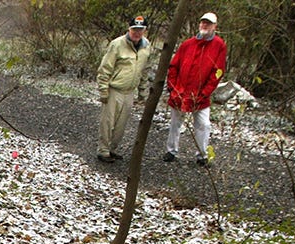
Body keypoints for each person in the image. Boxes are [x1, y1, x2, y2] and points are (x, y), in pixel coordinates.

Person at [163, 12, 227, 167]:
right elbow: (173, 66)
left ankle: (202, 155)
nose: (205, 25)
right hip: (180, 92)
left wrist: (205, 93)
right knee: (175, 122)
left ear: (215, 26)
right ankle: (171, 151)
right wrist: (173, 87)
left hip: (201, 95)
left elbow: (218, 72)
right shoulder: (187, 44)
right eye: (203, 22)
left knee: (204, 124)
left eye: (208, 23)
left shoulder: (219, 45)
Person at [96, 16, 152, 163]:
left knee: (121, 124)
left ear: (144, 31)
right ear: (129, 29)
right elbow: (105, 68)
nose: (137, 33)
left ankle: (112, 149)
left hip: (130, 91)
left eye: (140, 30)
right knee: (107, 122)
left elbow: (144, 70)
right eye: (134, 30)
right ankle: (103, 150)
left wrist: (143, 91)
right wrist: (103, 90)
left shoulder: (146, 46)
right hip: (114, 89)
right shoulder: (117, 44)